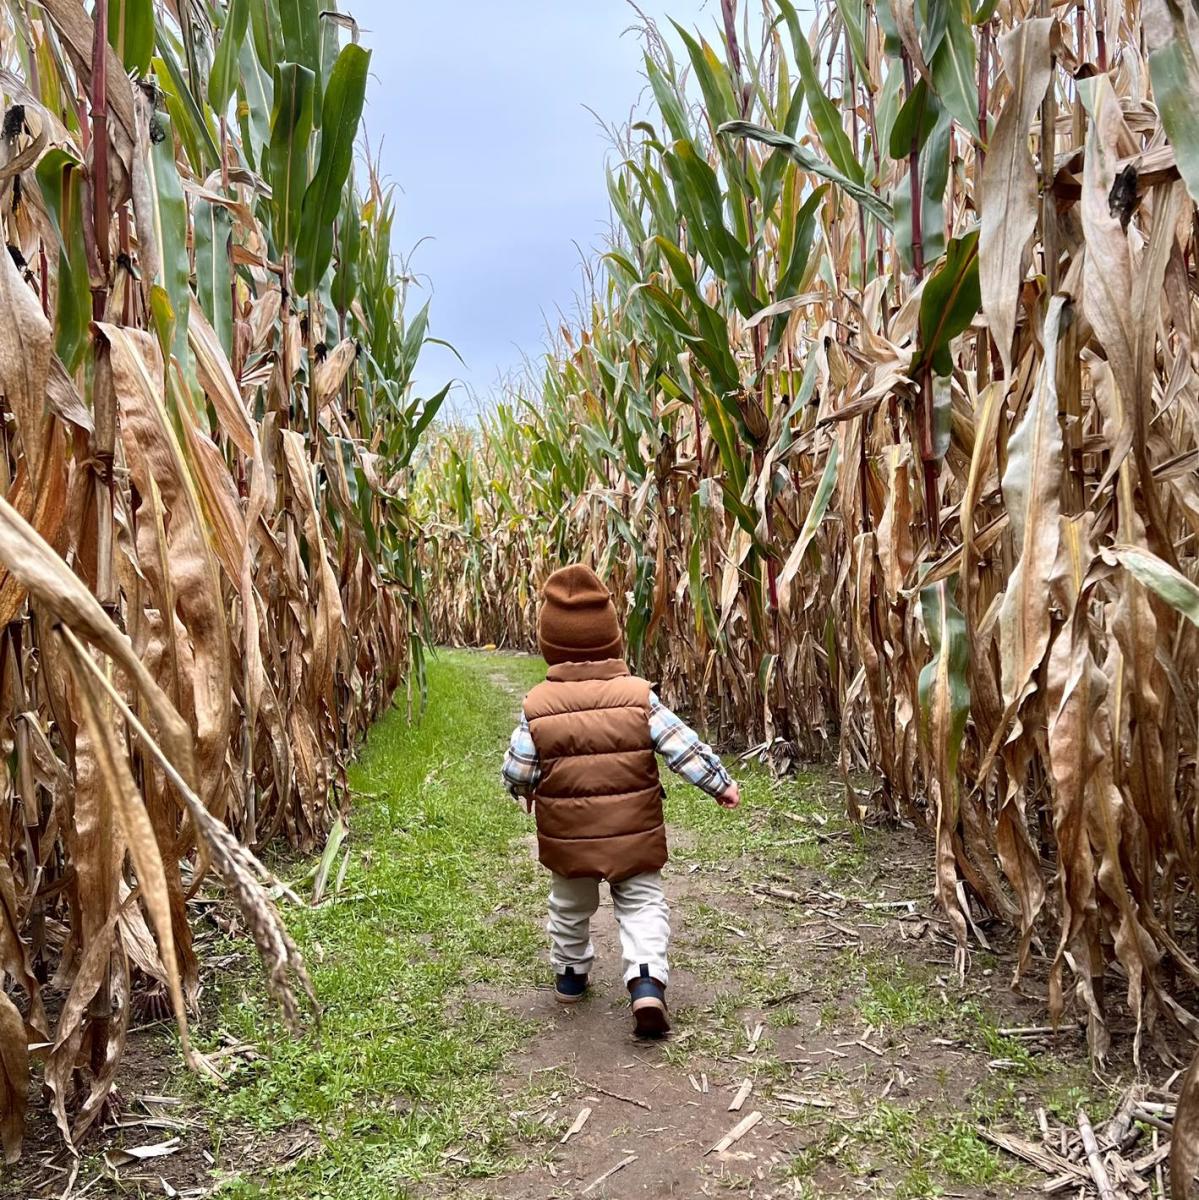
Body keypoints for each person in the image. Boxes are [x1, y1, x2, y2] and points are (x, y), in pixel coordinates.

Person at [501, 564, 740, 1038]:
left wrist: (523, 790)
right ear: (612, 638)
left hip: (568, 836)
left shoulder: (538, 705)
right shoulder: (638, 697)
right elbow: (682, 745)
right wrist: (719, 783)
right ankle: (646, 981)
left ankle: (570, 976)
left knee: (569, 905)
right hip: (635, 831)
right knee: (644, 904)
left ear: (550, 644)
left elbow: (518, 766)